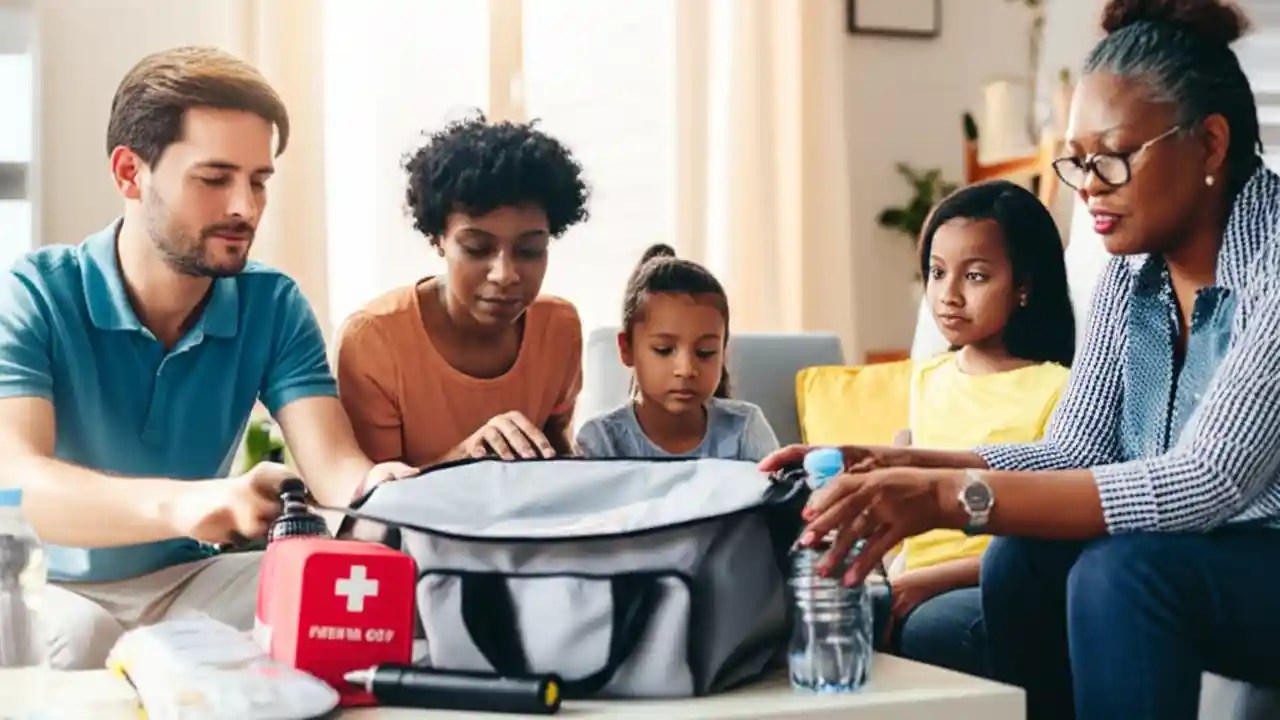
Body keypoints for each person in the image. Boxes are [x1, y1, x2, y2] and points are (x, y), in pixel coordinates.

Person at [763, 1, 1280, 717]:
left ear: (1212, 144)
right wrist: (895, 464)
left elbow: (1208, 481)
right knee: (1019, 560)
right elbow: (1074, 449)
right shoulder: (1131, 276)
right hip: (1206, 561)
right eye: (1079, 161)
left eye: (1114, 156)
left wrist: (950, 499)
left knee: (1120, 574)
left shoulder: (1273, 262)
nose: (1090, 183)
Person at [0, 47, 414, 670]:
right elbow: (17, 486)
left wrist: (384, 487)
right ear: (129, 174)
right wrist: (194, 502)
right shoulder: (34, 291)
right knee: (79, 633)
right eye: (214, 179)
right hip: (49, 587)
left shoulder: (272, 302)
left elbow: (339, 473)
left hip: (186, 584)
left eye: (259, 181)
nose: (245, 207)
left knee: (351, 606)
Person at [875, 181, 1074, 676]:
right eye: (937, 273)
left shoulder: (1059, 387)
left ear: (1024, 284)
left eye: (977, 276)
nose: (948, 296)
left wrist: (925, 582)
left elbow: (1043, 543)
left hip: (993, 581)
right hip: (908, 578)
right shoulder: (925, 376)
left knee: (926, 629)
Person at [336, 116, 589, 467]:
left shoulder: (559, 327)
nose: (505, 274)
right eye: (476, 248)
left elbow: (557, 454)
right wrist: (464, 462)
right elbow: (370, 508)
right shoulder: (374, 341)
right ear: (437, 239)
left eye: (530, 251)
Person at [576, 244, 778, 461]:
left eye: (705, 352)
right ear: (627, 349)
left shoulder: (745, 428)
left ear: (723, 353)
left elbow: (781, 490)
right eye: (663, 350)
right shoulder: (602, 440)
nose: (686, 369)